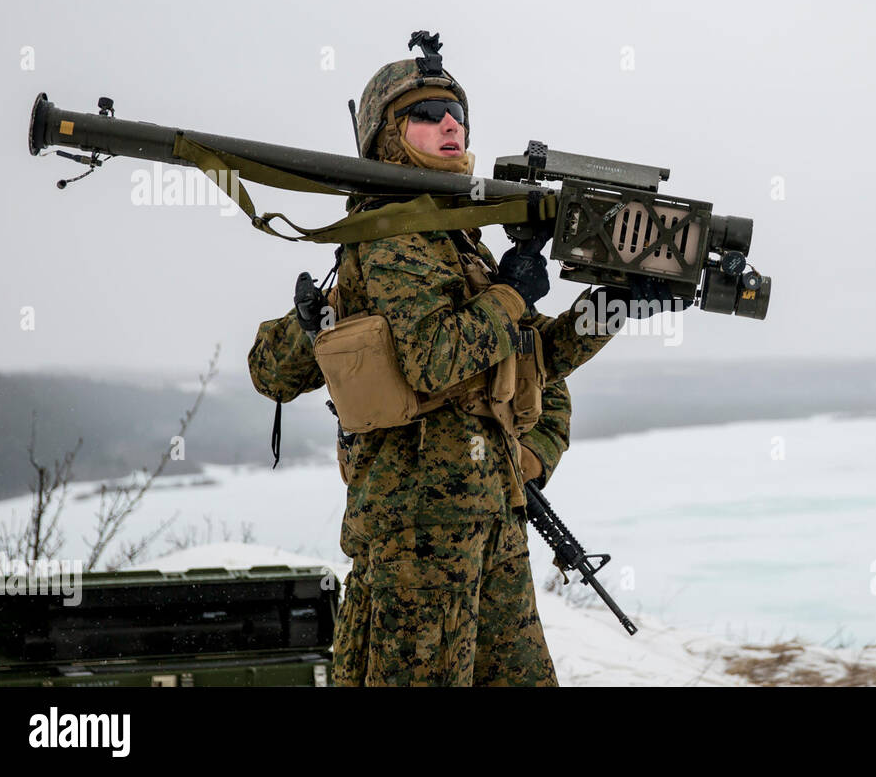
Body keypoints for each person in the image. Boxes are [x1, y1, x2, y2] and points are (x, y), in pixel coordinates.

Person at [247, 34, 680, 686]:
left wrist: (613, 305)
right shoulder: (392, 237)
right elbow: (432, 361)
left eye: (457, 113)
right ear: (386, 137)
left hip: (489, 516)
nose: (451, 123)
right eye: (425, 113)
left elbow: (535, 357)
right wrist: (510, 291)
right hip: (421, 535)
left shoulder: (460, 245)